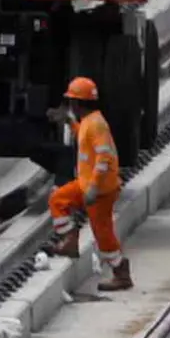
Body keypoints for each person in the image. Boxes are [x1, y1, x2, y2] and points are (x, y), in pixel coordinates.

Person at [47, 76, 132, 291]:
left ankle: (121, 271)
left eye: (71, 102)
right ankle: (70, 240)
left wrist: (94, 187)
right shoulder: (89, 121)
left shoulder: (96, 125)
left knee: (102, 232)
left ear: (77, 103)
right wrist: (69, 123)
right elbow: (84, 137)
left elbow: (104, 158)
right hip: (87, 185)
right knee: (58, 199)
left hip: (100, 189)